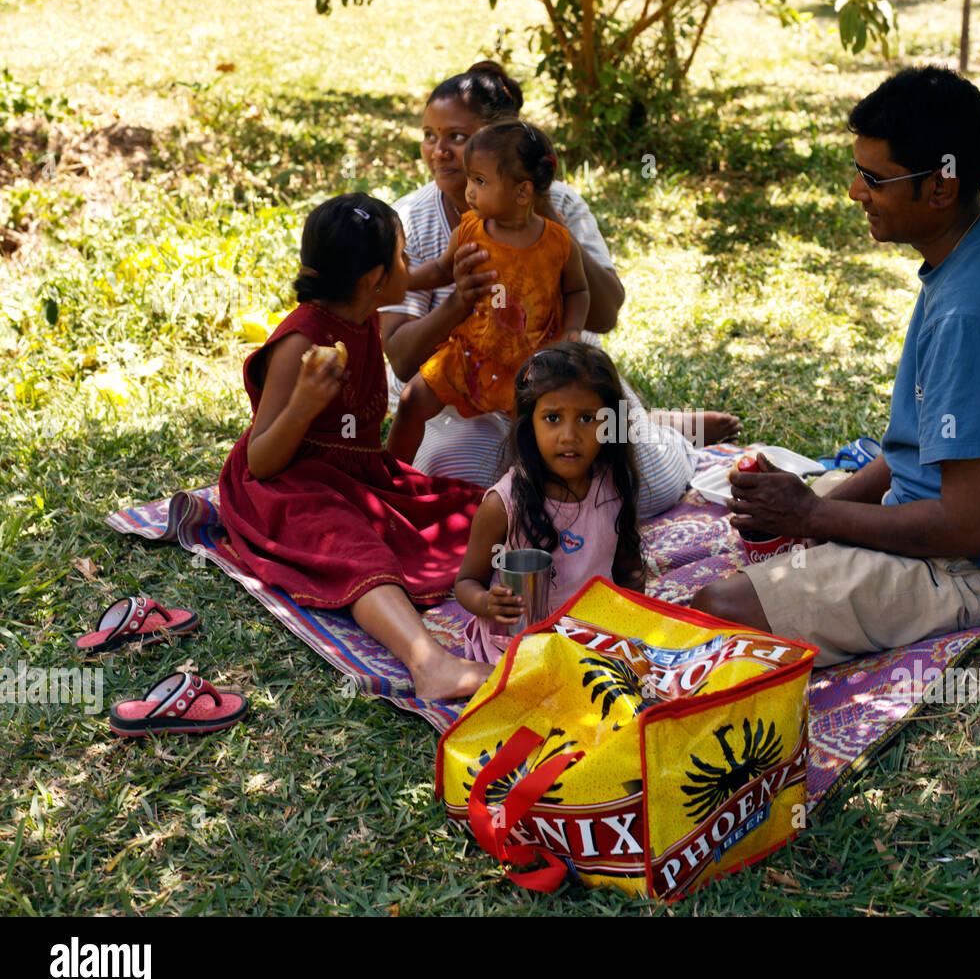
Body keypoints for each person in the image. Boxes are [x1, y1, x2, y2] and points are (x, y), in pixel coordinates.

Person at [691, 66, 980, 665]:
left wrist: (815, 513)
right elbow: (918, 448)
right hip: (964, 526)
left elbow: (972, 528)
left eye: (875, 179)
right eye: (858, 172)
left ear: (940, 188)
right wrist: (818, 517)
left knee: (716, 615)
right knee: (763, 525)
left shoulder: (974, 312)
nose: (856, 191)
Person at [380, 60, 739, 514]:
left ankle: (660, 431)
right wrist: (457, 303)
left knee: (645, 490)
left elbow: (604, 315)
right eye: (429, 135)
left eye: (457, 137)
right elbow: (402, 358)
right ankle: (648, 422)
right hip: (463, 391)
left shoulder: (560, 207)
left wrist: (544, 219)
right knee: (466, 493)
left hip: (553, 382)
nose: (439, 151)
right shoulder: (413, 219)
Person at [218, 192, 493, 701]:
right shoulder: (301, 343)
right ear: (373, 280)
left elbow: (420, 275)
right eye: (403, 256)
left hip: (359, 476)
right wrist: (302, 405)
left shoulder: (362, 300)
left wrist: (454, 271)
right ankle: (428, 662)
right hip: (289, 487)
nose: (411, 267)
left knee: (468, 509)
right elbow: (261, 461)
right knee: (356, 550)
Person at [386, 120, 589, 462]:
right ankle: (389, 479)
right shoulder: (470, 229)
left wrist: (572, 329)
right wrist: (399, 281)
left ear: (522, 192)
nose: (469, 191)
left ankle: (527, 499)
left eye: (480, 181)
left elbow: (578, 291)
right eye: (469, 179)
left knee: (533, 442)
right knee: (411, 401)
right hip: (469, 354)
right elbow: (440, 269)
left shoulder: (558, 243)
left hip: (533, 362)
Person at [456, 342, 644, 663]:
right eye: (553, 418)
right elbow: (466, 581)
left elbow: (628, 570)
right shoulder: (503, 504)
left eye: (587, 418)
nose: (569, 435)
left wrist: (634, 615)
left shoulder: (612, 486)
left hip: (593, 637)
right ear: (530, 423)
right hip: (521, 645)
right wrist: (487, 602)